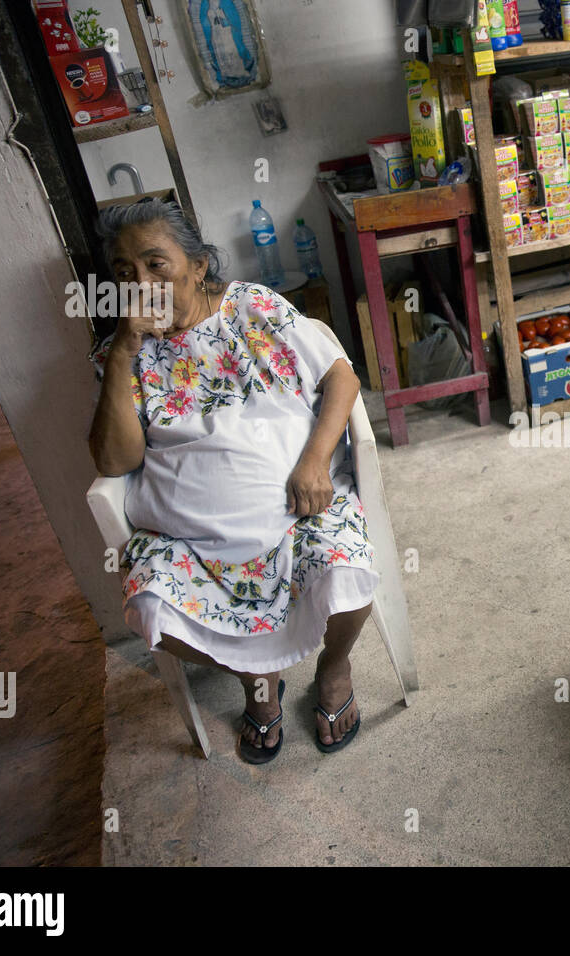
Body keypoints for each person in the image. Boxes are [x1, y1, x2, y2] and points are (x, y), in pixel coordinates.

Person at [87, 198, 377, 764]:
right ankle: (257, 680)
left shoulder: (253, 308)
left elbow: (341, 375)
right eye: (126, 273)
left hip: (297, 506)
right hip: (185, 537)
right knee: (149, 609)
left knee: (346, 571)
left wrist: (316, 459)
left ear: (198, 265)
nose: (141, 283)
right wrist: (124, 350)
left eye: (156, 264)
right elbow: (115, 461)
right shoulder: (120, 353)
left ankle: (333, 666)